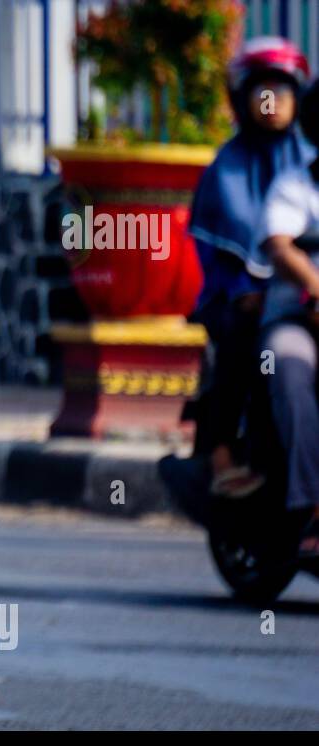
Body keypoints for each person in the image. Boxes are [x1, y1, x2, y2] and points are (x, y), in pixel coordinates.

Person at [189, 37, 313, 497]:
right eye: (262, 93)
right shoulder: (226, 169)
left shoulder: (307, 164)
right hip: (238, 297)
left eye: (281, 93)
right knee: (245, 337)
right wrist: (245, 289)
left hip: (299, 295)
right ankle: (222, 453)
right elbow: (217, 250)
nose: (272, 104)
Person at [250, 79, 319, 557]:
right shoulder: (296, 184)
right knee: (289, 370)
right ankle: (311, 507)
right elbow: (278, 246)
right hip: (297, 318)